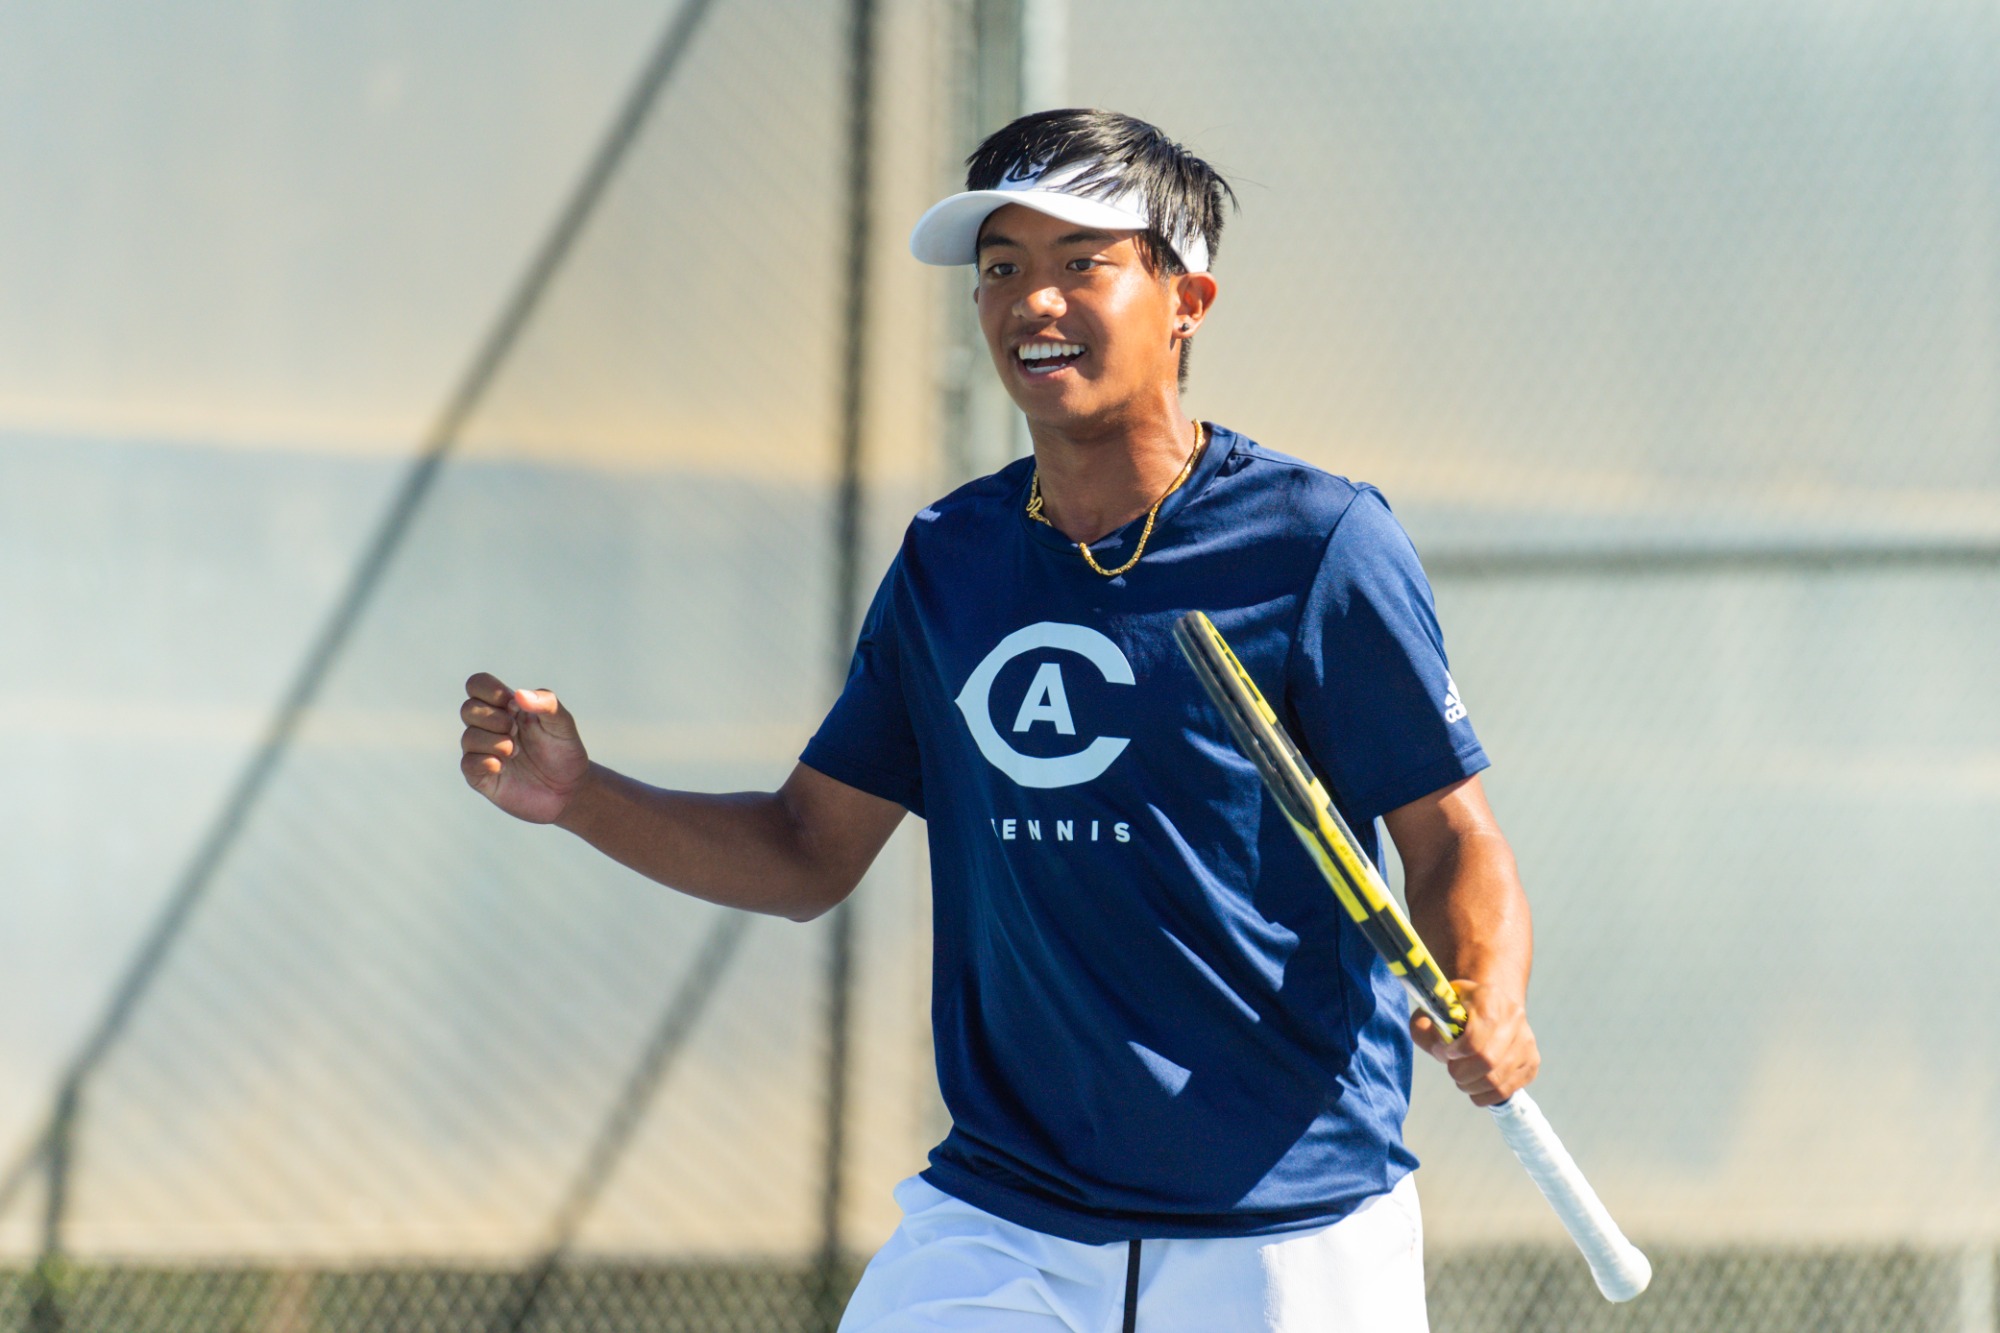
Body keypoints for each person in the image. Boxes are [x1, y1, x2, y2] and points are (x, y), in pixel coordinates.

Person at [459, 108, 1539, 1332]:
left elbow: (1452, 840)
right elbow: (808, 850)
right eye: (1002, 270)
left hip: (1286, 1233)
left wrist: (1487, 989)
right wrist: (581, 797)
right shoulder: (946, 561)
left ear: (1186, 300)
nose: (1032, 302)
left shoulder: (1320, 544)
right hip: (1002, 1221)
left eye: (1082, 264)